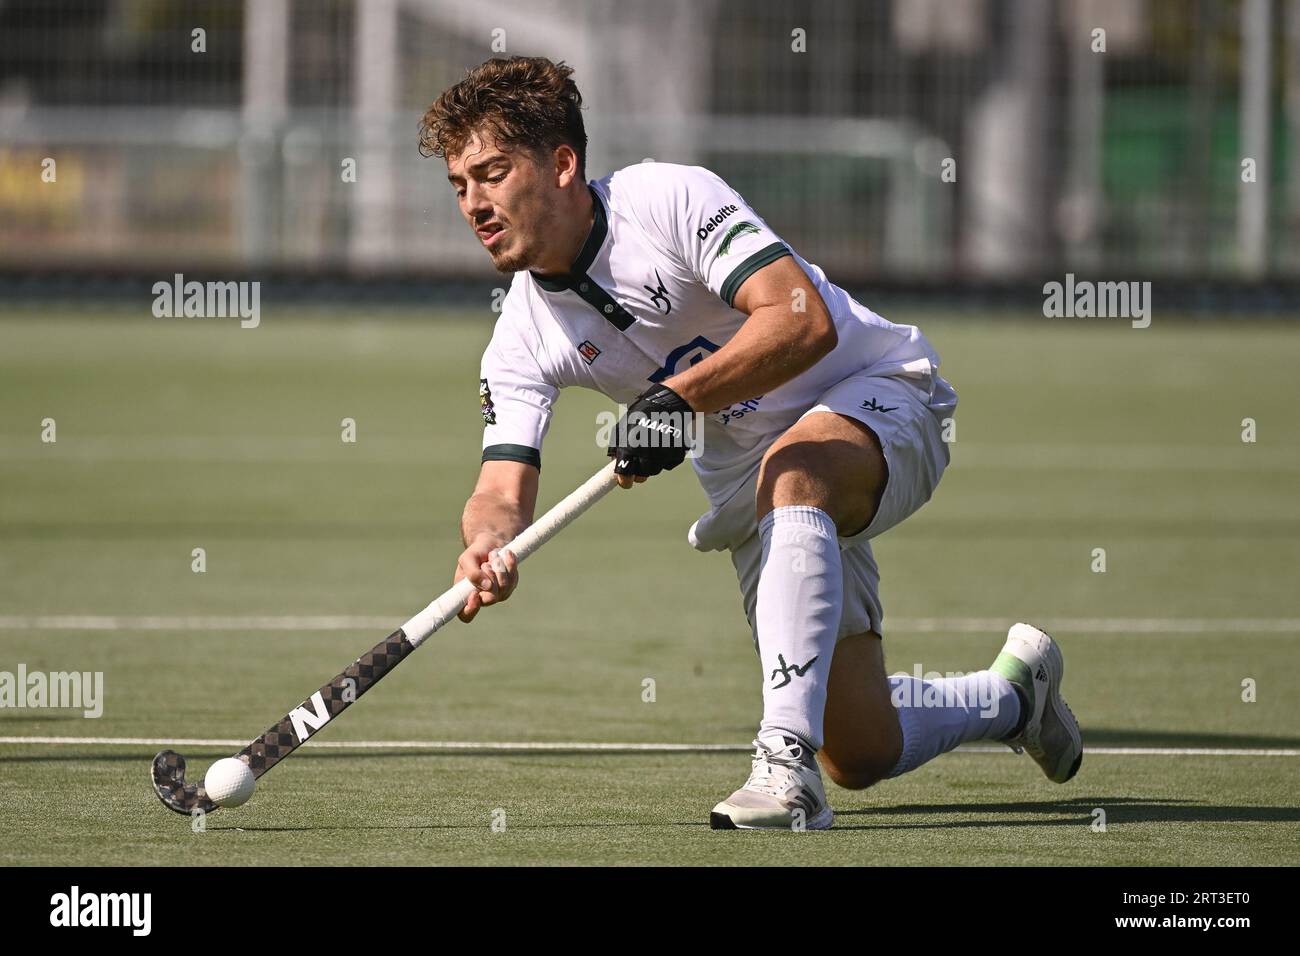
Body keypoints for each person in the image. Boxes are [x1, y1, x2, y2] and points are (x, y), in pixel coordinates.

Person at [421, 55, 1081, 830]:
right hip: (752, 482)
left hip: (875, 392)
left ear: (562, 163)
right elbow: (501, 491)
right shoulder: (520, 339)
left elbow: (801, 317)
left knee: (794, 473)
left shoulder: (666, 198)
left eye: (492, 174)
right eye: (460, 184)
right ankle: (1013, 697)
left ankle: (783, 768)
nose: (474, 203)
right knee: (862, 752)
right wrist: (487, 546)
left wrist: (679, 399)